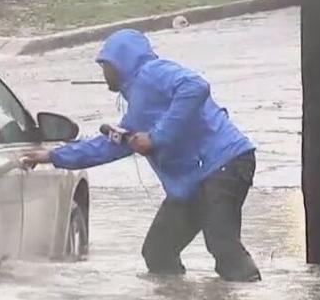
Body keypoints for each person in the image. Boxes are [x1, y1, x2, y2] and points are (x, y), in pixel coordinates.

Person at [22, 29, 262, 282]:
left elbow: (196, 86)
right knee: (158, 251)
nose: (104, 73)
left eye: (106, 65)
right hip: (194, 180)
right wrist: (52, 156)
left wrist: (157, 137)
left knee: (222, 243)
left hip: (225, 162)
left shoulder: (153, 72)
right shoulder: (135, 108)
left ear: (121, 61)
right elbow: (105, 147)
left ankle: (245, 299)